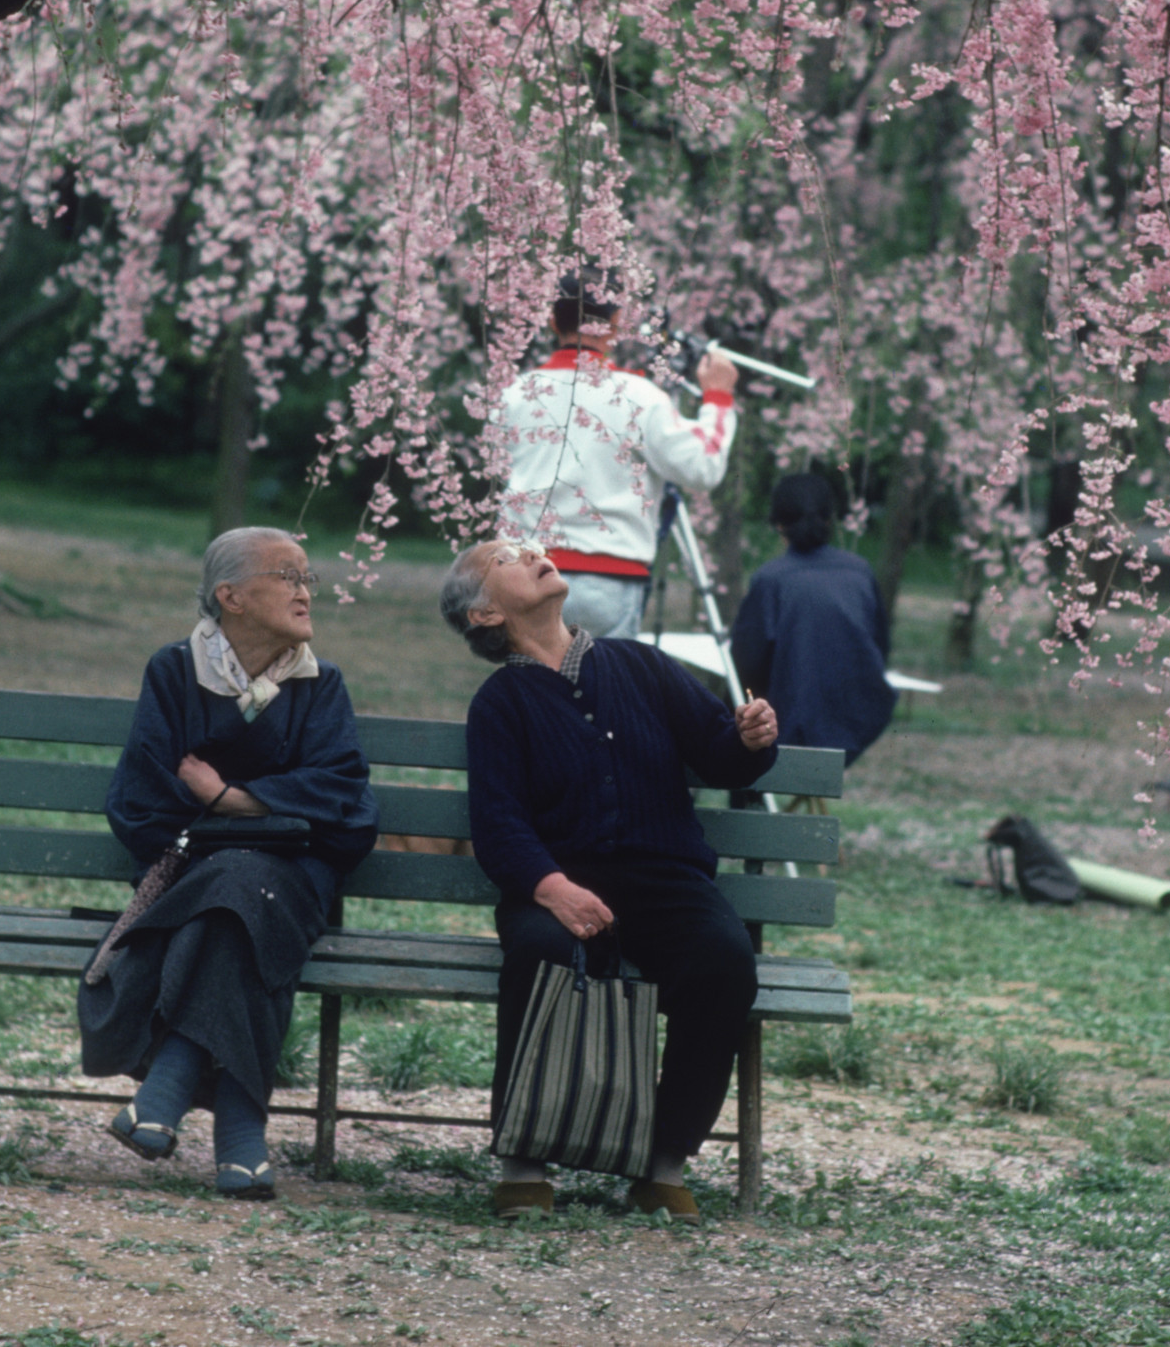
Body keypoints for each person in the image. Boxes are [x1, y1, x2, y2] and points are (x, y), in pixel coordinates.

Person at [440, 538, 780, 1222]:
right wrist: (551, 887)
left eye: (531, 546)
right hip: (558, 883)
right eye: (508, 556)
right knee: (540, 950)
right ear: (483, 614)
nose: (534, 553)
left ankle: (663, 1163)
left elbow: (718, 753)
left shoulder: (640, 665)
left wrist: (749, 737)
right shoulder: (501, 703)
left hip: (665, 879)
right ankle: (524, 1160)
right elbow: (500, 825)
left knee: (723, 960)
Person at [81, 527, 379, 1199]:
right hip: (194, 879)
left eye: (309, 578)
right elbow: (142, 798)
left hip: (297, 882)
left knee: (244, 890)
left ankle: (170, 1086)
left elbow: (345, 798)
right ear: (231, 596)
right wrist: (265, 820)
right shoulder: (173, 671)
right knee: (236, 894)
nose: (306, 591)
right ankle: (240, 1136)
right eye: (288, 575)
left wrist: (230, 798)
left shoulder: (320, 684)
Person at [493, 270, 741, 639]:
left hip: (525, 575)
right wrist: (718, 397)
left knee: (530, 692)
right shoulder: (639, 396)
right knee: (604, 690)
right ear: (614, 323)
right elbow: (701, 467)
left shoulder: (513, 395)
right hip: (611, 575)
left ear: (551, 321)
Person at [731, 471, 898, 767]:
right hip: (853, 723)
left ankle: (748, 807)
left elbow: (746, 663)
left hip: (787, 725)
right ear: (829, 519)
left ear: (779, 523)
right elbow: (880, 646)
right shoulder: (859, 571)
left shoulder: (772, 579)